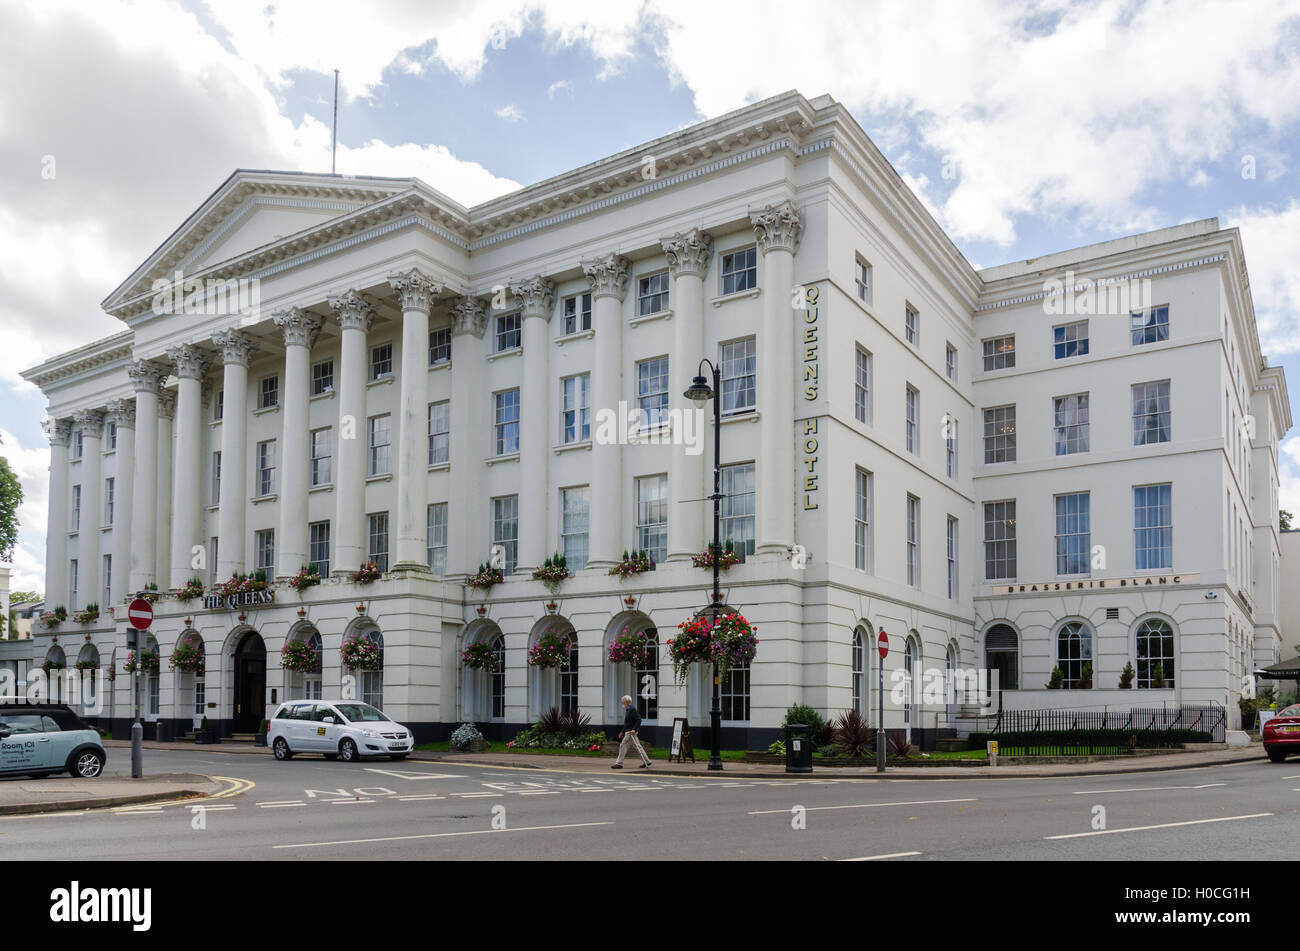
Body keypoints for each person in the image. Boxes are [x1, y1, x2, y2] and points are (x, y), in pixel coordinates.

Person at [611, 694, 651, 768]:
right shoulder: (628, 709)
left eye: (623, 702)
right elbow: (627, 723)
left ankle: (619, 763)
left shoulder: (632, 709)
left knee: (622, 745)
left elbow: (638, 719)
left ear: (626, 702)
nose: (622, 703)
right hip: (629, 731)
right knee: (638, 747)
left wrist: (634, 729)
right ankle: (647, 761)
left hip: (630, 732)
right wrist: (622, 732)